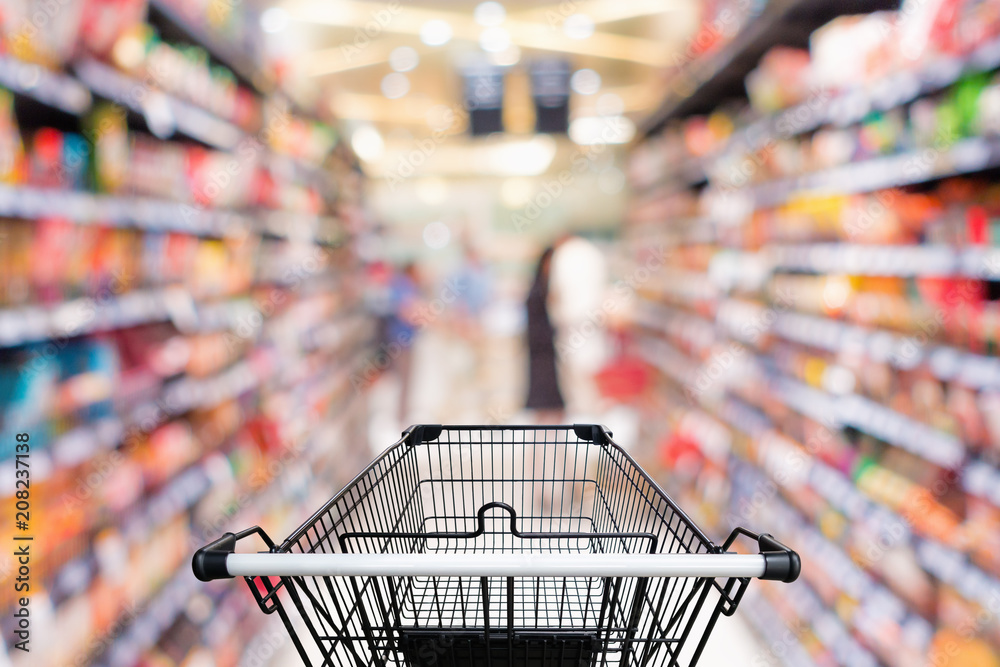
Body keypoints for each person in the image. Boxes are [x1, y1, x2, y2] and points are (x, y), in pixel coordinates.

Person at [524, 245, 564, 423]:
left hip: (545, 344)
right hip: (540, 345)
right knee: (542, 386)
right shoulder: (539, 288)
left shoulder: (546, 284)